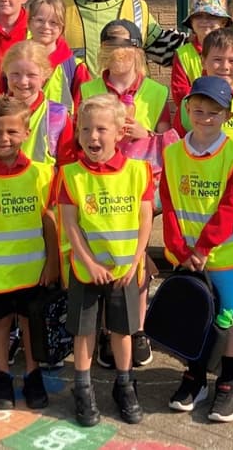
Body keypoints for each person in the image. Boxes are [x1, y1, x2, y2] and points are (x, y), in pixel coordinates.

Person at [78, 19, 174, 368]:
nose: (118, 56)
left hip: (141, 185)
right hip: (99, 184)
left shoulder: (155, 91)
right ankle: (107, 329)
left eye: (125, 49)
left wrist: (146, 131)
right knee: (105, 255)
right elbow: (79, 133)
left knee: (139, 261)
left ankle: (136, 328)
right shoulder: (88, 88)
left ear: (137, 52)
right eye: (110, 49)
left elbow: (168, 137)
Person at [161, 76, 233, 423]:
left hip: (224, 258)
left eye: (213, 112)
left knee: (225, 321)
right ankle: (195, 376)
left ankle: (228, 382)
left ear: (227, 115)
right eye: (197, 109)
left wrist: (202, 247)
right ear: (186, 110)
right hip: (187, 258)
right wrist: (178, 248)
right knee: (194, 318)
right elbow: (169, 206)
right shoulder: (171, 154)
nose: (204, 117)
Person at [57, 95, 154, 427]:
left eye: (101, 129)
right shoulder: (70, 175)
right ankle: (82, 388)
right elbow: (70, 225)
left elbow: (145, 222)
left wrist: (136, 260)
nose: (93, 137)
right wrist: (89, 262)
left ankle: (125, 385)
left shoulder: (139, 172)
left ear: (118, 133)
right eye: (85, 129)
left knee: (122, 330)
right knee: (83, 333)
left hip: (125, 272)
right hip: (87, 271)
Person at [179, 26, 233, 365]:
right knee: (213, 269)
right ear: (203, 62)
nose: (225, 66)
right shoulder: (195, 103)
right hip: (202, 198)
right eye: (217, 59)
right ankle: (213, 326)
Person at [0, 96, 59, 411]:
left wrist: (53, 263)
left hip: (33, 269)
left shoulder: (43, 173)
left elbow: (50, 222)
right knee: (0, 322)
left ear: (27, 132)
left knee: (30, 322)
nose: (3, 139)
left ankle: (32, 373)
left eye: (11, 132)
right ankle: (3, 375)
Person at [0, 41, 75, 166]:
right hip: (1, 184)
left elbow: (67, 163)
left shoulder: (58, 115)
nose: (23, 82)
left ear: (44, 76)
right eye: (15, 74)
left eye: (31, 75)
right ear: (6, 73)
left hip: (43, 184)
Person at [27, 0, 91, 113]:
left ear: (62, 27)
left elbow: (84, 113)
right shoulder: (16, 61)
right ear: (29, 23)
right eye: (39, 20)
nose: (46, 26)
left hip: (62, 132)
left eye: (53, 23)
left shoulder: (75, 68)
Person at [170, 0, 232, 111]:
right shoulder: (183, 54)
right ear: (191, 22)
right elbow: (179, 94)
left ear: (223, 22)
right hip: (193, 116)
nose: (205, 21)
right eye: (198, 16)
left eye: (211, 17)